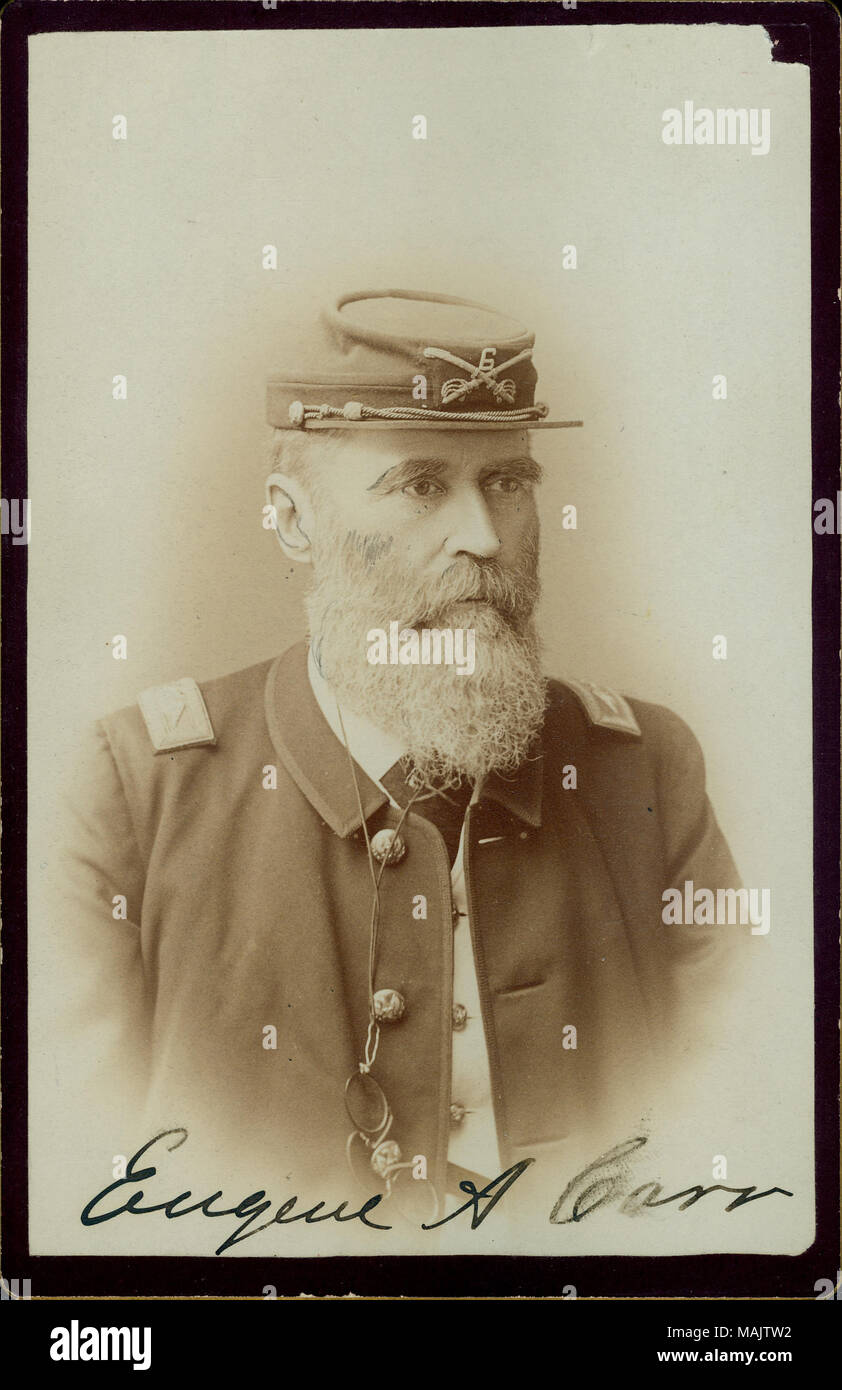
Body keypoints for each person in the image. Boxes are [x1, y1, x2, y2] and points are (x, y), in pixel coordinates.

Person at [57, 289, 750, 1240]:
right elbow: (79, 1199)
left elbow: (744, 1125)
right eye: (422, 483)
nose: (485, 536)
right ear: (293, 522)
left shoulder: (645, 772)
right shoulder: (136, 792)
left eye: (508, 480)